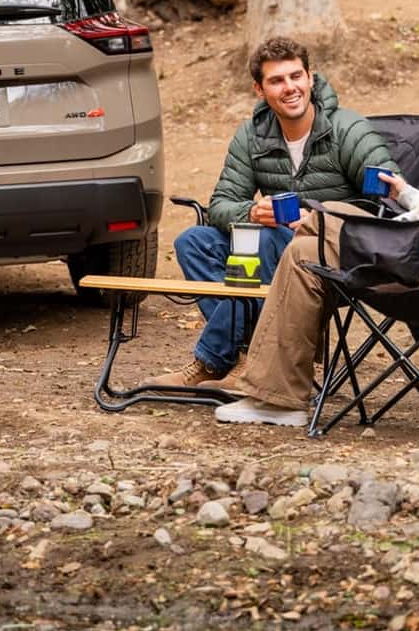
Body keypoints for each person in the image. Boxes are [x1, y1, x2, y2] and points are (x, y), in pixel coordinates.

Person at [212, 26, 419, 426]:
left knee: (314, 233)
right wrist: (405, 193)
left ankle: (275, 395)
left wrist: (369, 228)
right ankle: (275, 392)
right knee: (308, 246)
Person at [140, 37, 395, 390]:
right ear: (259, 89)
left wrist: (319, 220)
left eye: (296, 76)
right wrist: (252, 210)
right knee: (193, 242)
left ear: (311, 78)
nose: (289, 88)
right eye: (277, 80)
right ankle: (246, 355)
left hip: (337, 257)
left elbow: (385, 201)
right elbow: (222, 205)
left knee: (265, 240)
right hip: (273, 255)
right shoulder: (252, 135)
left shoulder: (347, 130)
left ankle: (211, 361)